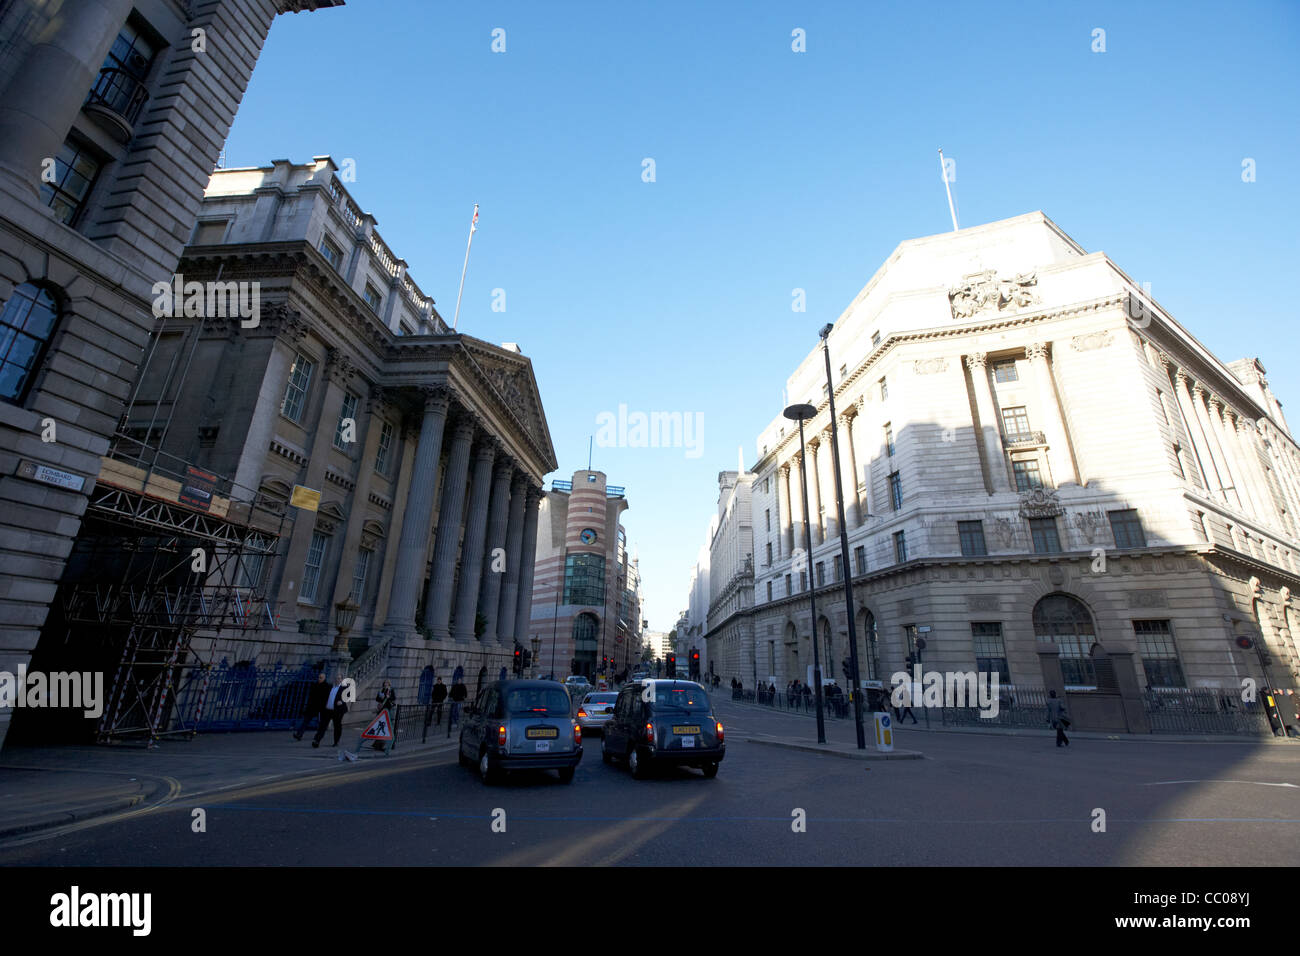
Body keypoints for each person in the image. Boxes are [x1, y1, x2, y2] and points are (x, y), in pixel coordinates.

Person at [312, 674, 348, 747]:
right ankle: (317, 741)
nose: (337, 680)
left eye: (339, 678)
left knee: (337, 726)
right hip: (328, 710)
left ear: (342, 680)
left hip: (337, 711)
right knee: (322, 726)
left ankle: (336, 741)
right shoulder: (330, 687)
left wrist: (342, 701)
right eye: (336, 678)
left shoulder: (344, 688)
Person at [294, 671, 329, 740]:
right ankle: (299, 734)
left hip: (321, 708)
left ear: (324, 678)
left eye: (321, 678)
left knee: (321, 723)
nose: (319, 679)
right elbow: (310, 696)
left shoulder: (327, 686)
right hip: (312, 707)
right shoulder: (314, 685)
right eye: (319, 677)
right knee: (305, 721)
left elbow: (326, 698)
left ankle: (319, 736)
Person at [372, 679, 397, 750]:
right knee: (379, 726)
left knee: (385, 727)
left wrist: (389, 697)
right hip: (381, 710)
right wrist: (380, 697)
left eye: (387, 683)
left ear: (389, 684)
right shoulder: (382, 690)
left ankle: (385, 744)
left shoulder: (391, 690)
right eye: (385, 683)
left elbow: (394, 698)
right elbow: (377, 699)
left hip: (387, 710)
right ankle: (377, 744)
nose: (385, 684)